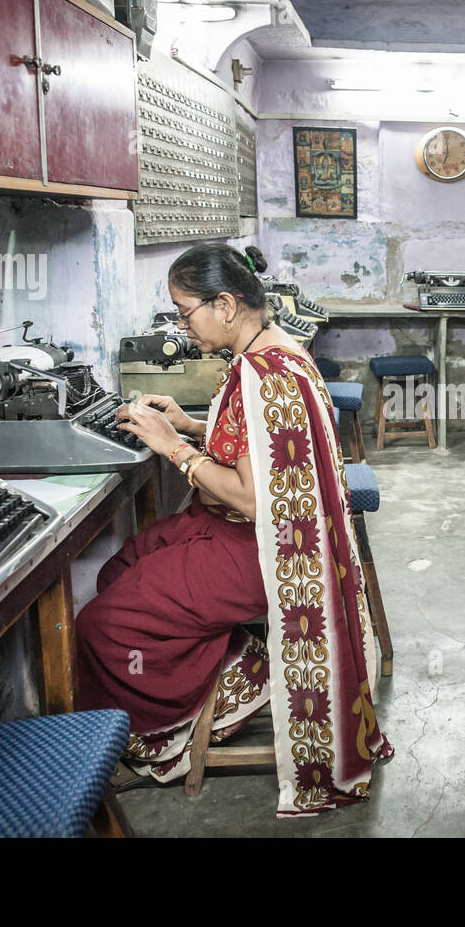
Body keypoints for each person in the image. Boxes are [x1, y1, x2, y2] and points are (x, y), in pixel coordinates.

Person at [75, 242, 390, 817]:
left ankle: (172, 727)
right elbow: (261, 451)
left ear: (224, 304)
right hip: (230, 527)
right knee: (121, 568)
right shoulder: (272, 356)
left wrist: (172, 447)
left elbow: (251, 493)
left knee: (101, 624)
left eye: (183, 311)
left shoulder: (261, 374)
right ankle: (220, 661)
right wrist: (189, 423)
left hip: (257, 550)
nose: (180, 325)